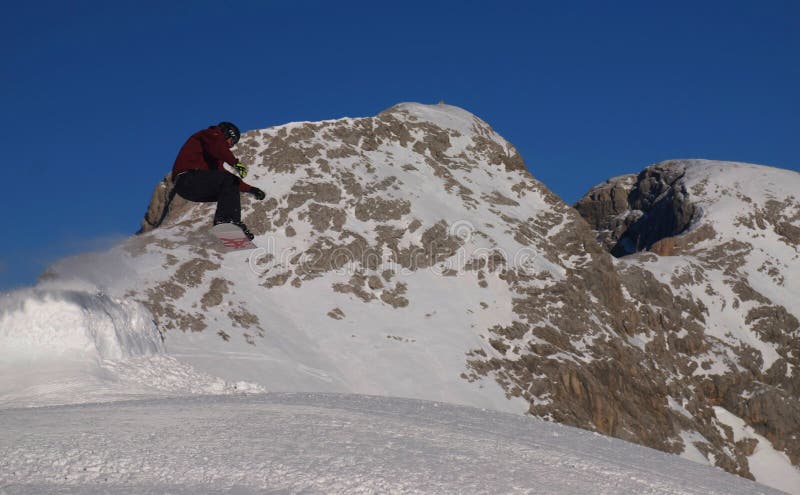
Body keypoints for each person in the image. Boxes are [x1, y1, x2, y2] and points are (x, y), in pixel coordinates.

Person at [171, 122, 265, 240]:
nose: (230, 146)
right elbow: (218, 146)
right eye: (232, 141)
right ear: (226, 133)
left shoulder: (214, 156)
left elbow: (225, 176)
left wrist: (251, 189)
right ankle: (226, 220)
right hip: (187, 178)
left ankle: (230, 222)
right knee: (228, 181)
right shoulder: (211, 134)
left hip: (191, 189)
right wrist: (236, 163)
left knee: (230, 185)